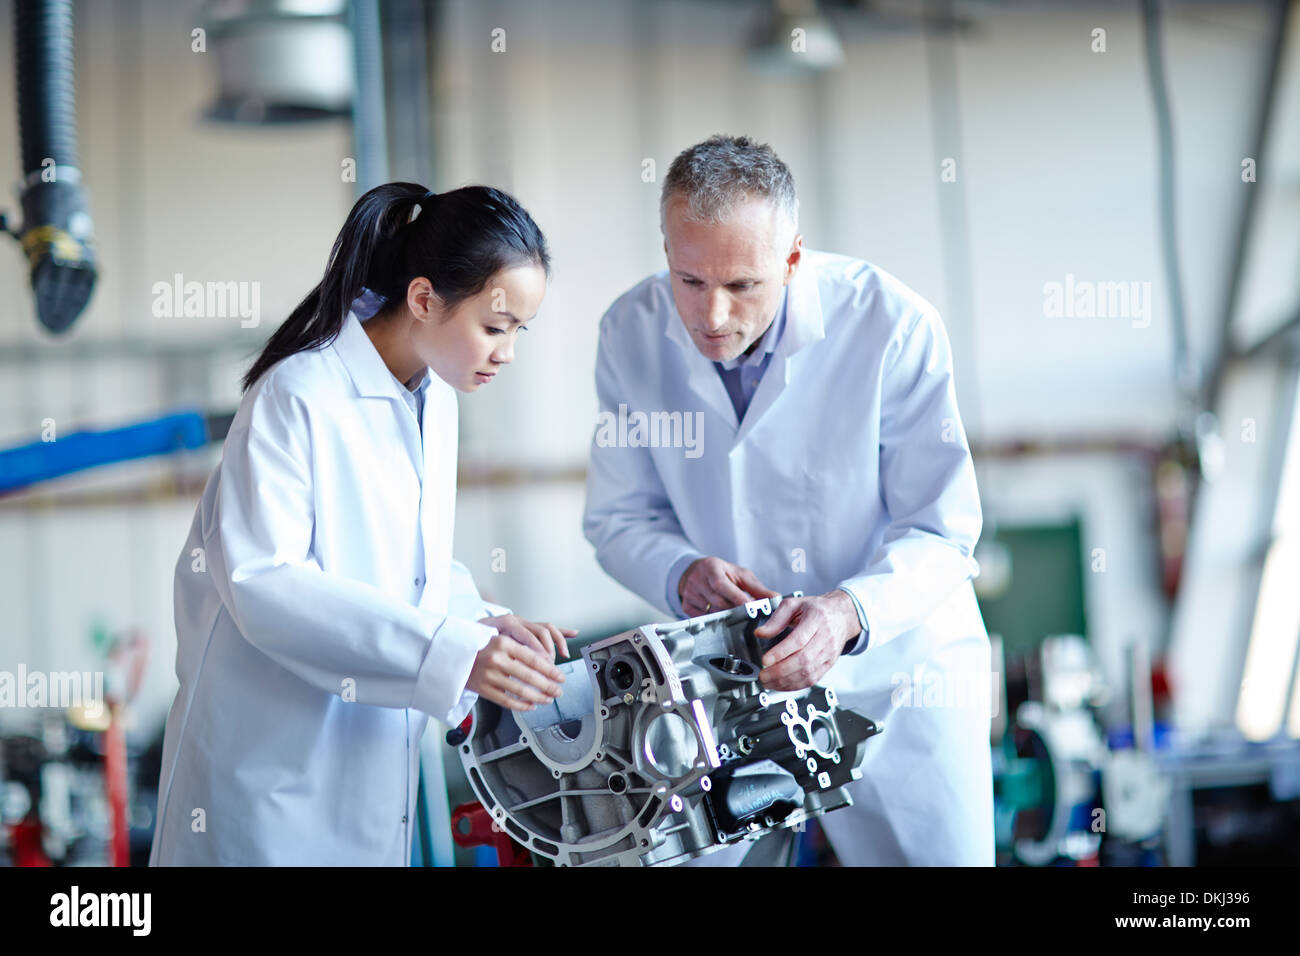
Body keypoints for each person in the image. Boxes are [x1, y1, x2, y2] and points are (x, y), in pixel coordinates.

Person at [583, 136, 994, 866]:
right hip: (733, 684)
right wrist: (679, 573)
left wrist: (846, 614)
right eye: (688, 280)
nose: (711, 314)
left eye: (743, 285)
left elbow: (943, 530)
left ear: (793, 260)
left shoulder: (892, 326)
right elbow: (619, 519)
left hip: (900, 676)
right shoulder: (628, 333)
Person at [151, 183, 576, 866]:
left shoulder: (434, 396)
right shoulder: (297, 394)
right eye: (496, 328)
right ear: (423, 299)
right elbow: (268, 584)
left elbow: (406, 565)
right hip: (269, 783)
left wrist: (480, 622)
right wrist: (453, 652)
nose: (507, 353)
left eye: (519, 331)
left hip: (371, 773)